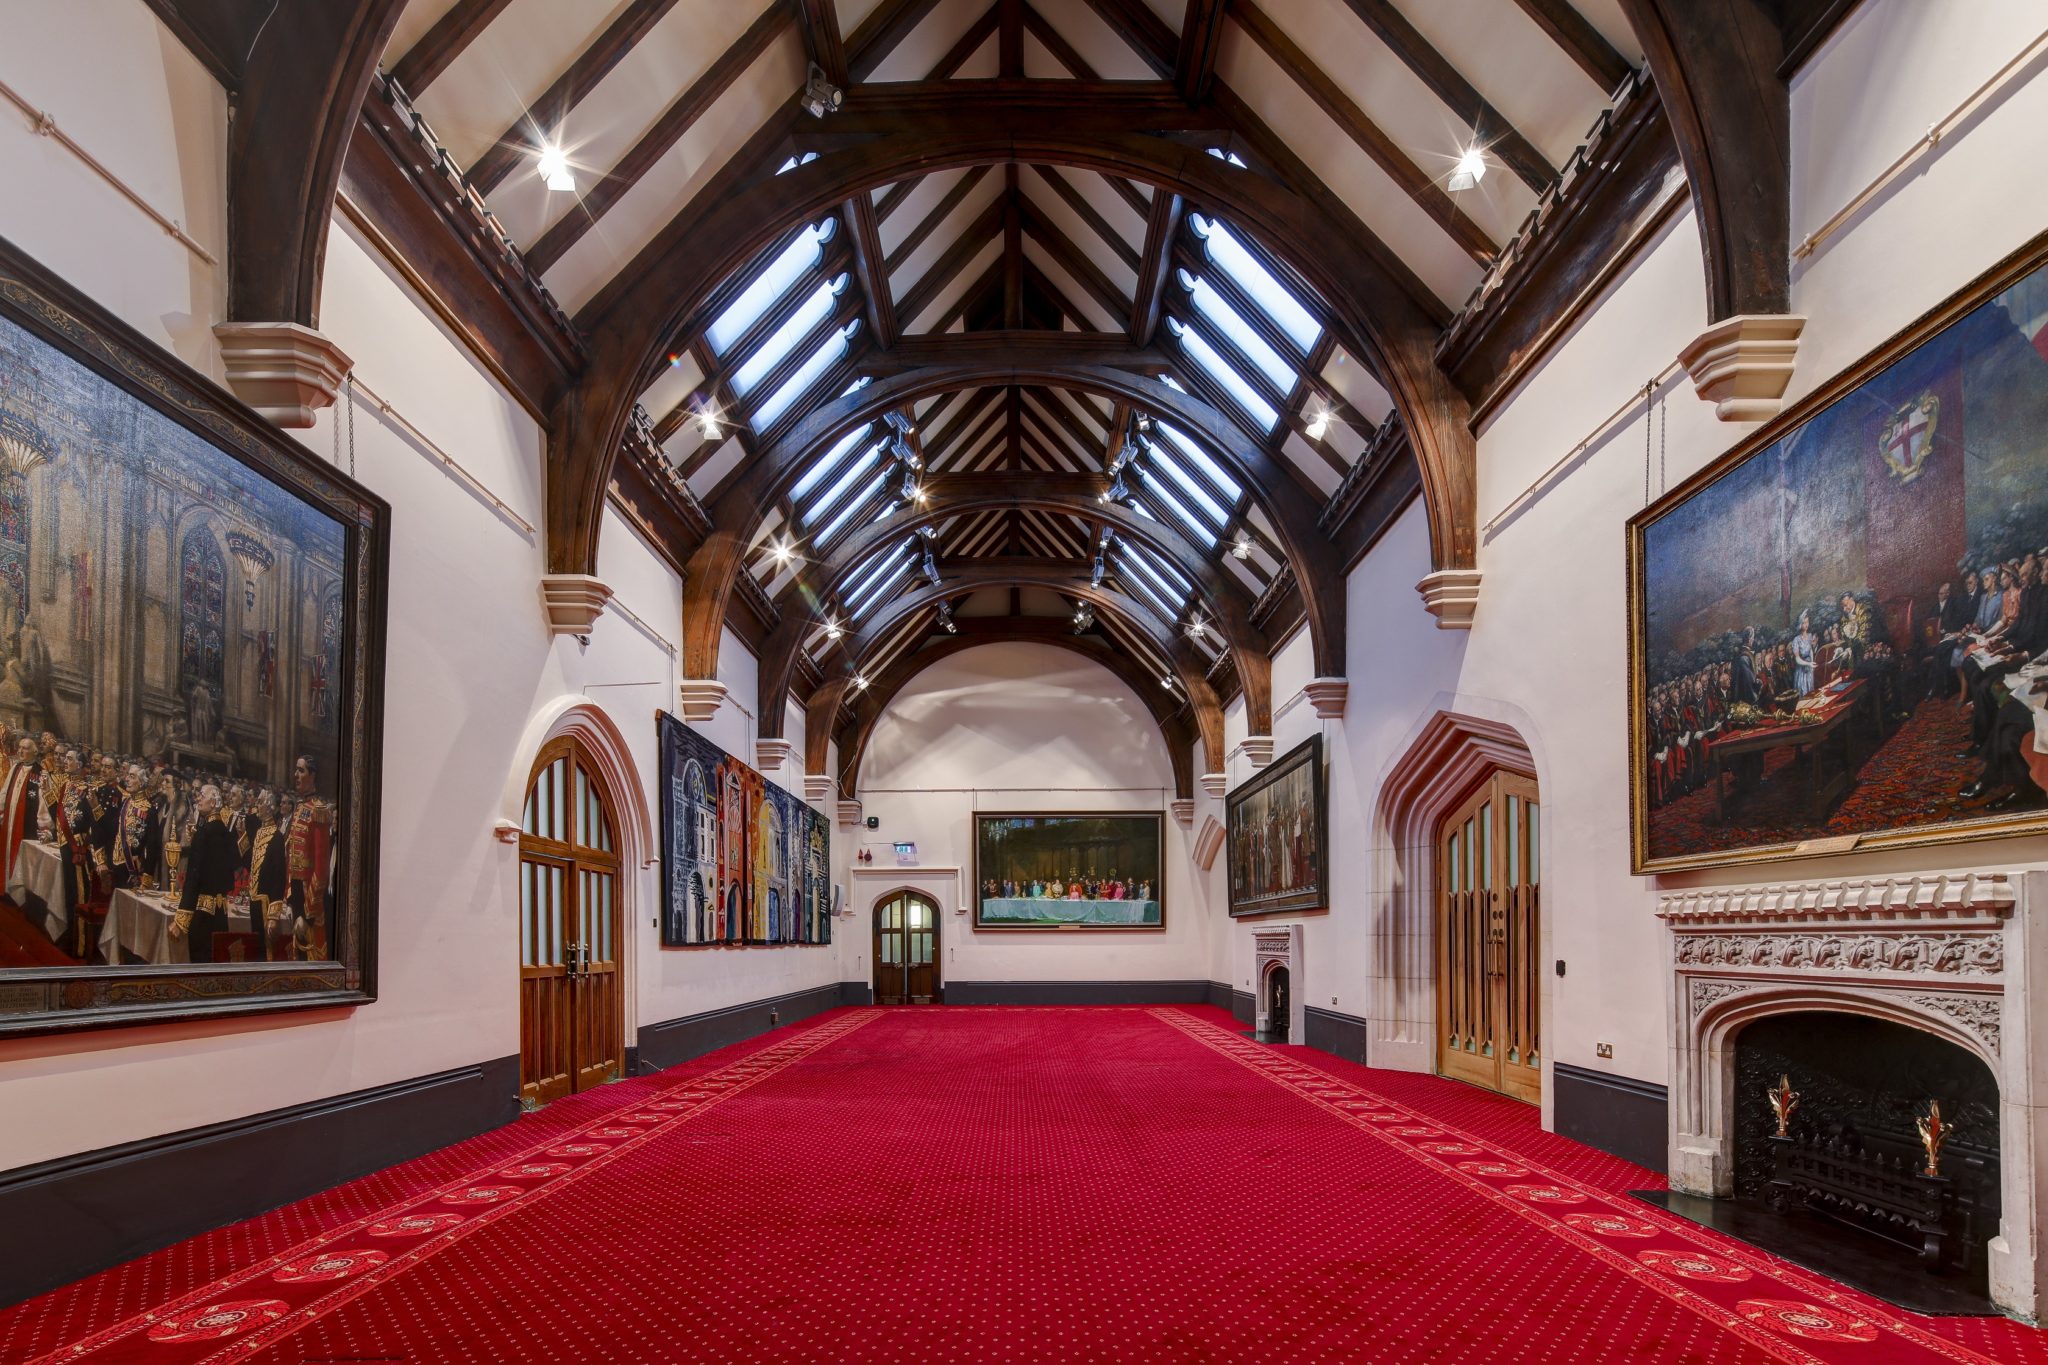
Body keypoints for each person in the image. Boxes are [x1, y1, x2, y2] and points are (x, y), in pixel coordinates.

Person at [170, 784, 237, 962]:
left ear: (213, 802)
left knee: (200, 964)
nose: (198, 798)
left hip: (202, 915)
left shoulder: (203, 834)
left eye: (202, 795)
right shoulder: (226, 832)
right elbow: (229, 876)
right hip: (221, 913)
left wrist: (181, 919)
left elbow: (193, 878)